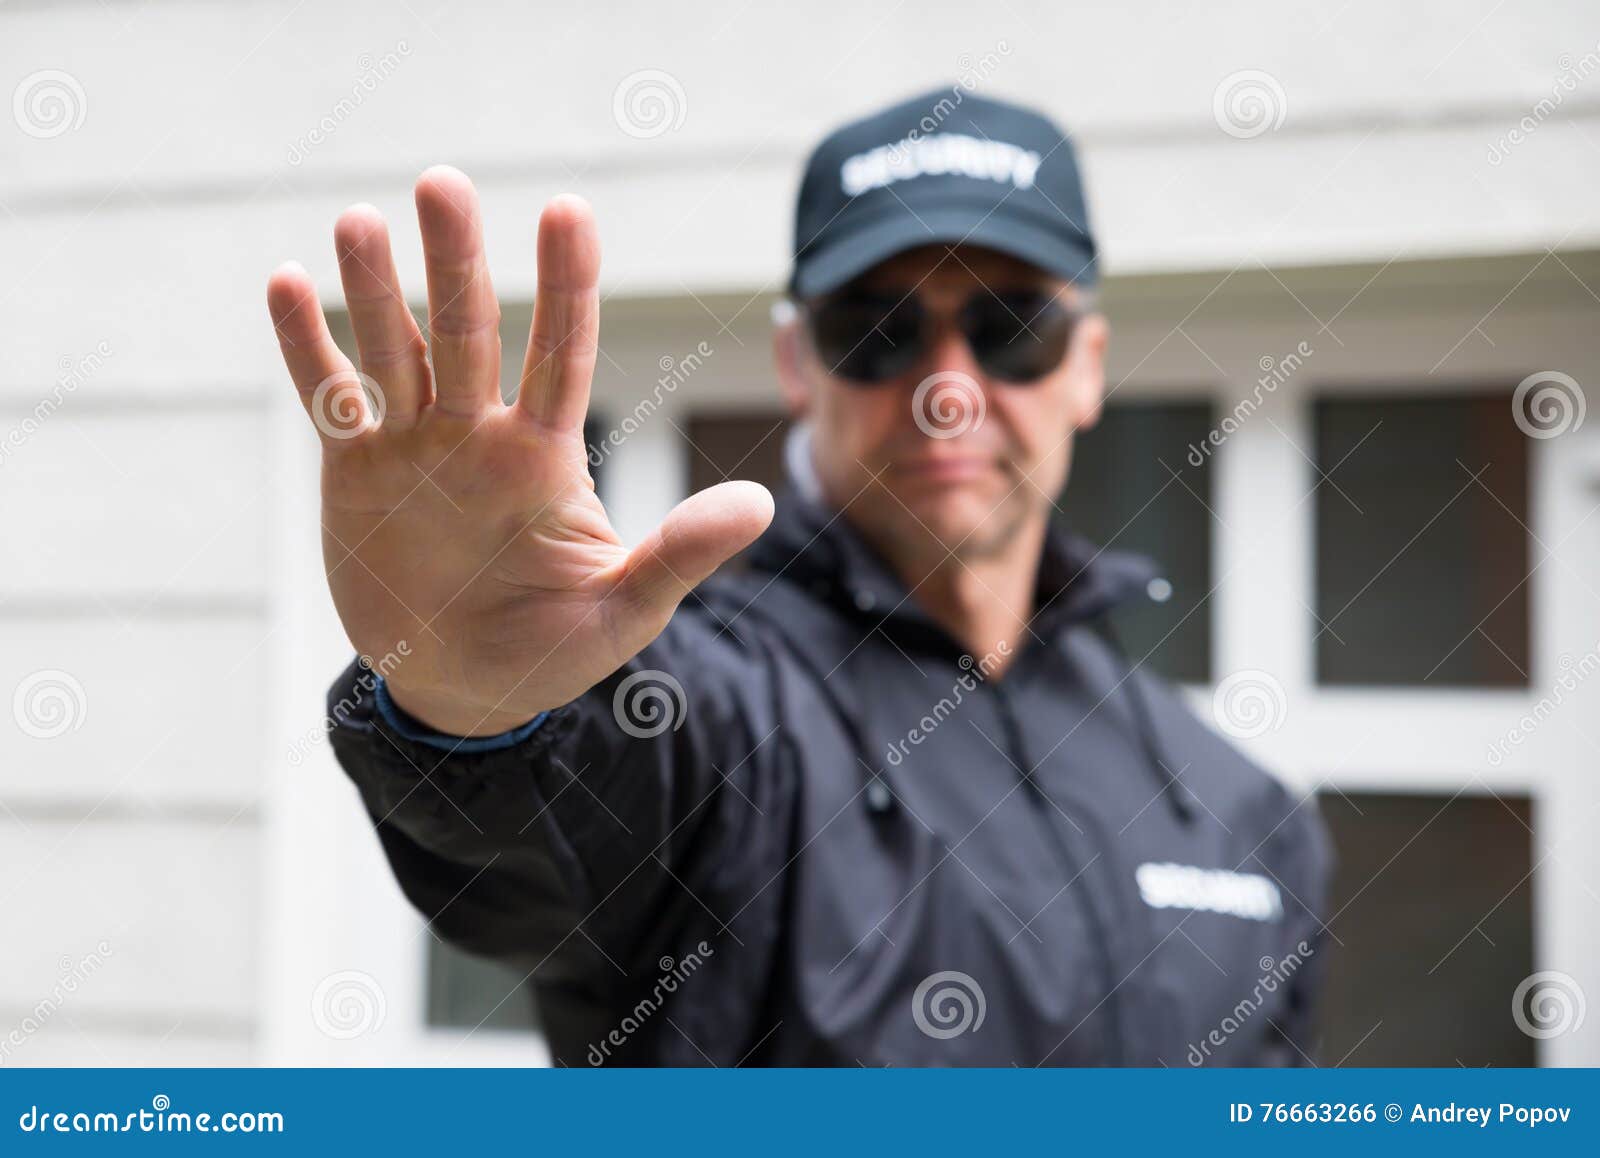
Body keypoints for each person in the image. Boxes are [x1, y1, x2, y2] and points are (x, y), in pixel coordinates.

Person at [266, 89, 1334, 1066]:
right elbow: (547, 841)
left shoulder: (1237, 810)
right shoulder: (718, 708)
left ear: (1088, 364)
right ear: (793, 364)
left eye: (1012, 328)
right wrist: (476, 707)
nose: (948, 392)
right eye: (878, 329)